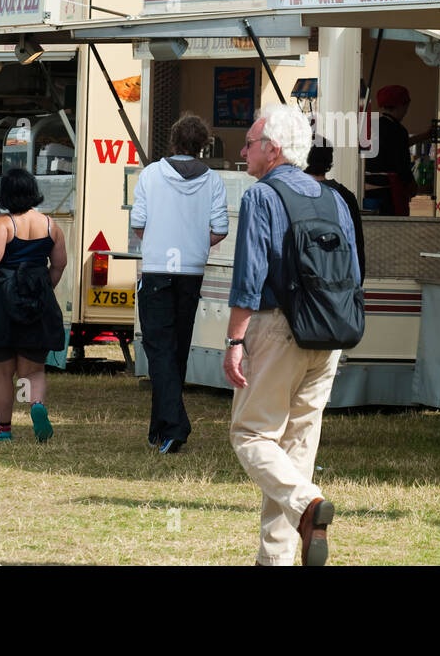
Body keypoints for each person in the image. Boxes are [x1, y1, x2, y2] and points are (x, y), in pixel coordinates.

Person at [223, 104, 361, 566]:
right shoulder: (335, 199)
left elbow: (248, 277)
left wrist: (234, 342)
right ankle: (275, 557)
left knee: (252, 436)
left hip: (277, 327)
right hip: (328, 334)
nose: (243, 152)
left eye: (249, 143)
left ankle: (308, 507)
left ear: (273, 149)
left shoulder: (261, 197)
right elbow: (353, 275)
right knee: (295, 451)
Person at [129, 114, 228, 454]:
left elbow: (138, 223)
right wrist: (196, 243)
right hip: (192, 269)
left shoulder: (152, 174)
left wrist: (159, 239)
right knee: (177, 348)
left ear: (171, 141)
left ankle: (174, 425)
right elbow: (220, 228)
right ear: (203, 145)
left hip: (158, 267)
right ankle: (160, 427)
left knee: (158, 347)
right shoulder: (213, 180)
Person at [0, 167, 67, 443]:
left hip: (1, 302)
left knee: (1, 371)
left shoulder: (3, 224)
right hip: (35, 301)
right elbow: (59, 264)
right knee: (32, 369)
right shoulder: (51, 225)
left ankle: (4, 430)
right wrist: (41, 287)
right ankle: (36, 406)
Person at [305, 139, 366, 281]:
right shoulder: (345, 195)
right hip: (339, 282)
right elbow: (357, 244)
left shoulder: (293, 194)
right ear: (330, 160)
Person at [364, 84, 417, 215]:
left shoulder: (369, 125)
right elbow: (402, 165)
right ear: (401, 105)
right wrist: (412, 186)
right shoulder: (398, 130)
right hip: (389, 193)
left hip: (365, 190)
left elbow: (385, 148)